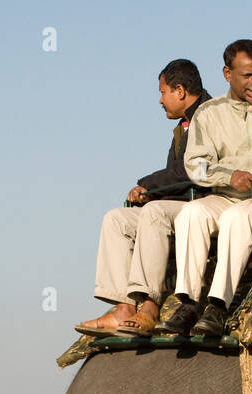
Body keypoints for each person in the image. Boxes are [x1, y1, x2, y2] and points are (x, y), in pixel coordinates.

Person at [157, 39, 252, 338]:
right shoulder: (210, 112)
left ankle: (218, 305)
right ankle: (188, 303)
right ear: (227, 74)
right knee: (192, 212)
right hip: (228, 194)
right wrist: (228, 177)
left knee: (236, 217)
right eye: (247, 76)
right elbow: (196, 164)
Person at [77, 60, 210, 338]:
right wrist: (150, 192)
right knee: (116, 219)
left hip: (204, 203)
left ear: (180, 90)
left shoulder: (209, 117)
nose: (160, 100)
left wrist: (147, 186)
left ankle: (150, 305)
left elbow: (191, 170)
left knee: (155, 213)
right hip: (183, 200)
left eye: (163, 92)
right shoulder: (183, 126)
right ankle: (123, 307)